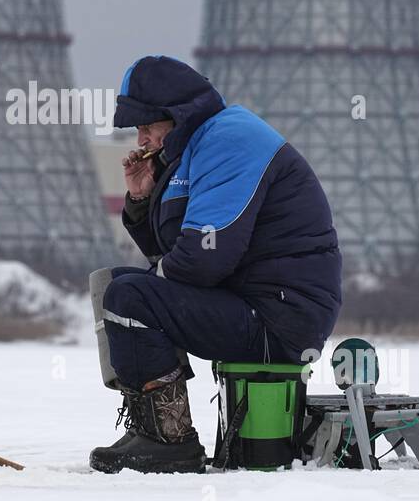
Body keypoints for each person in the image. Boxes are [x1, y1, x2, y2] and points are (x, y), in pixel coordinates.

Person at [89, 55, 341, 473]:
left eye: (148, 125)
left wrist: (155, 286)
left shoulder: (230, 140)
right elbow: (170, 254)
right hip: (254, 304)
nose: (142, 137)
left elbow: (205, 258)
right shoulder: (195, 148)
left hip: (280, 317)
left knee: (129, 294)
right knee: (115, 285)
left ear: (177, 114)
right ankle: (151, 423)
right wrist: (141, 198)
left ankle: (168, 440)